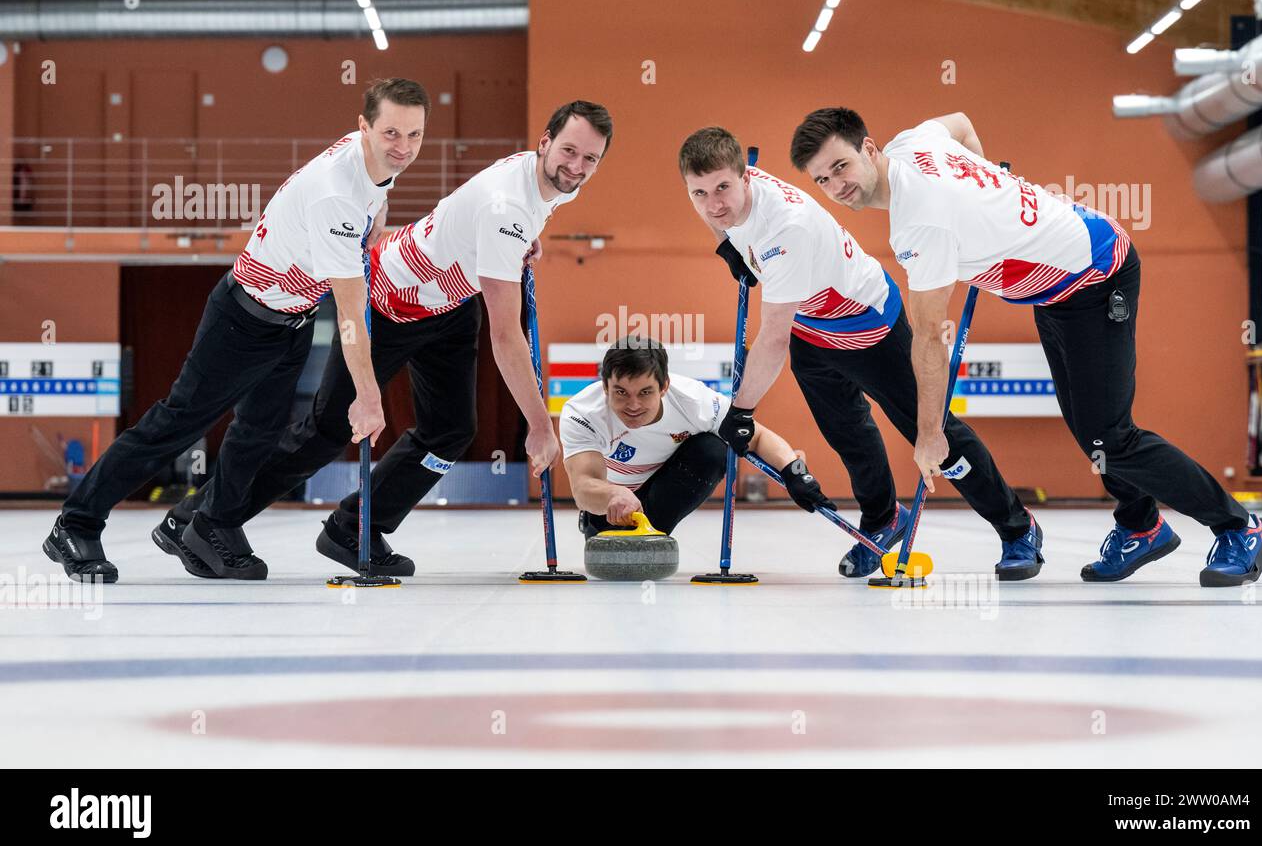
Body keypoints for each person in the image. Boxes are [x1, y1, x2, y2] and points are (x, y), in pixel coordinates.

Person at [790, 106, 1262, 586]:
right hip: (1054, 291)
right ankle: (1140, 525)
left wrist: (930, 432)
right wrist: (992, 182)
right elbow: (961, 119)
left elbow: (928, 339)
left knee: (1110, 437)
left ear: (869, 149)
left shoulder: (920, 223)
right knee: (1092, 430)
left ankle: (1239, 527)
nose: (836, 185)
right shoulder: (912, 144)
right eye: (822, 180)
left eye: (841, 166)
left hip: (1097, 275)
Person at [155, 101, 614, 578]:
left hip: (450, 301)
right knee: (327, 431)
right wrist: (540, 424)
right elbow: (505, 334)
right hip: (391, 298)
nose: (577, 166)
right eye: (568, 151)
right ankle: (202, 517)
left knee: (451, 429)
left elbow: (494, 224)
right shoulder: (509, 206)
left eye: (590, 159)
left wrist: (519, 241)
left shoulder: (542, 183)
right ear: (544, 143)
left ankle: (354, 527)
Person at [44, 77, 427, 582]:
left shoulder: (372, 165)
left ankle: (206, 524)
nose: (402, 148)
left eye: (415, 135)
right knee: (176, 424)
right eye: (391, 134)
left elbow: (373, 199)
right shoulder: (336, 194)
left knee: (259, 433)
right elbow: (353, 314)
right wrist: (368, 395)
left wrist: (379, 215)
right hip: (245, 318)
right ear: (364, 129)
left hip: (292, 320)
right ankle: (76, 524)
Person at [679, 126, 1039, 580]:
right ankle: (883, 520)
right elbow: (719, 216)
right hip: (811, 323)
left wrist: (742, 412)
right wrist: (726, 244)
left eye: (724, 189)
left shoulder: (784, 229)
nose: (714, 204)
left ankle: (1017, 527)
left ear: (746, 177)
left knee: (933, 434)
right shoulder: (724, 195)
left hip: (866, 323)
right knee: (848, 435)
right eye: (699, 193)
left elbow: (773, 337)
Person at [562, 337, 830, 538]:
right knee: (606, 502)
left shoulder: (695, 401)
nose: (633, 405)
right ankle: (613, 529)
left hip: (658, 497)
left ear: (664, 386)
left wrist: (794, 471)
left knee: (715, 449)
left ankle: (652, 534)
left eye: (645, 393)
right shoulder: (582, 412)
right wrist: (614, 494)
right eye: (621, 393)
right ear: (605, 385)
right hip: (608, 509)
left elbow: (757, 436)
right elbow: (584, 486)